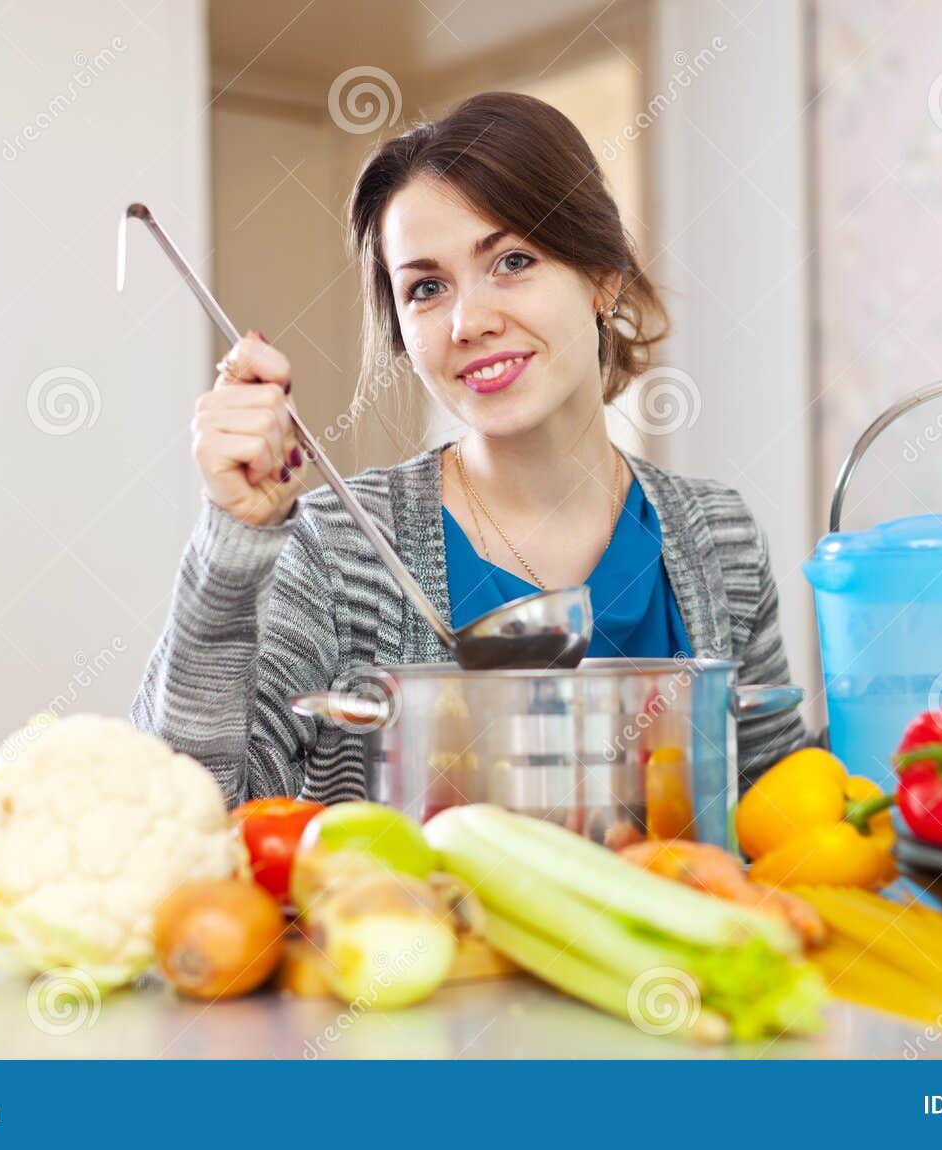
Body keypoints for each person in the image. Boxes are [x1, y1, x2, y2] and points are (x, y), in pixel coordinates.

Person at [133, 91, 807, 806]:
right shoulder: (339, 550)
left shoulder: (720, 538)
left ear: (602, 278)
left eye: (513, 260)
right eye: (426, 287)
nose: (469, 321)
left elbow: (785, 813)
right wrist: (232, 541)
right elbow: (186, 806)